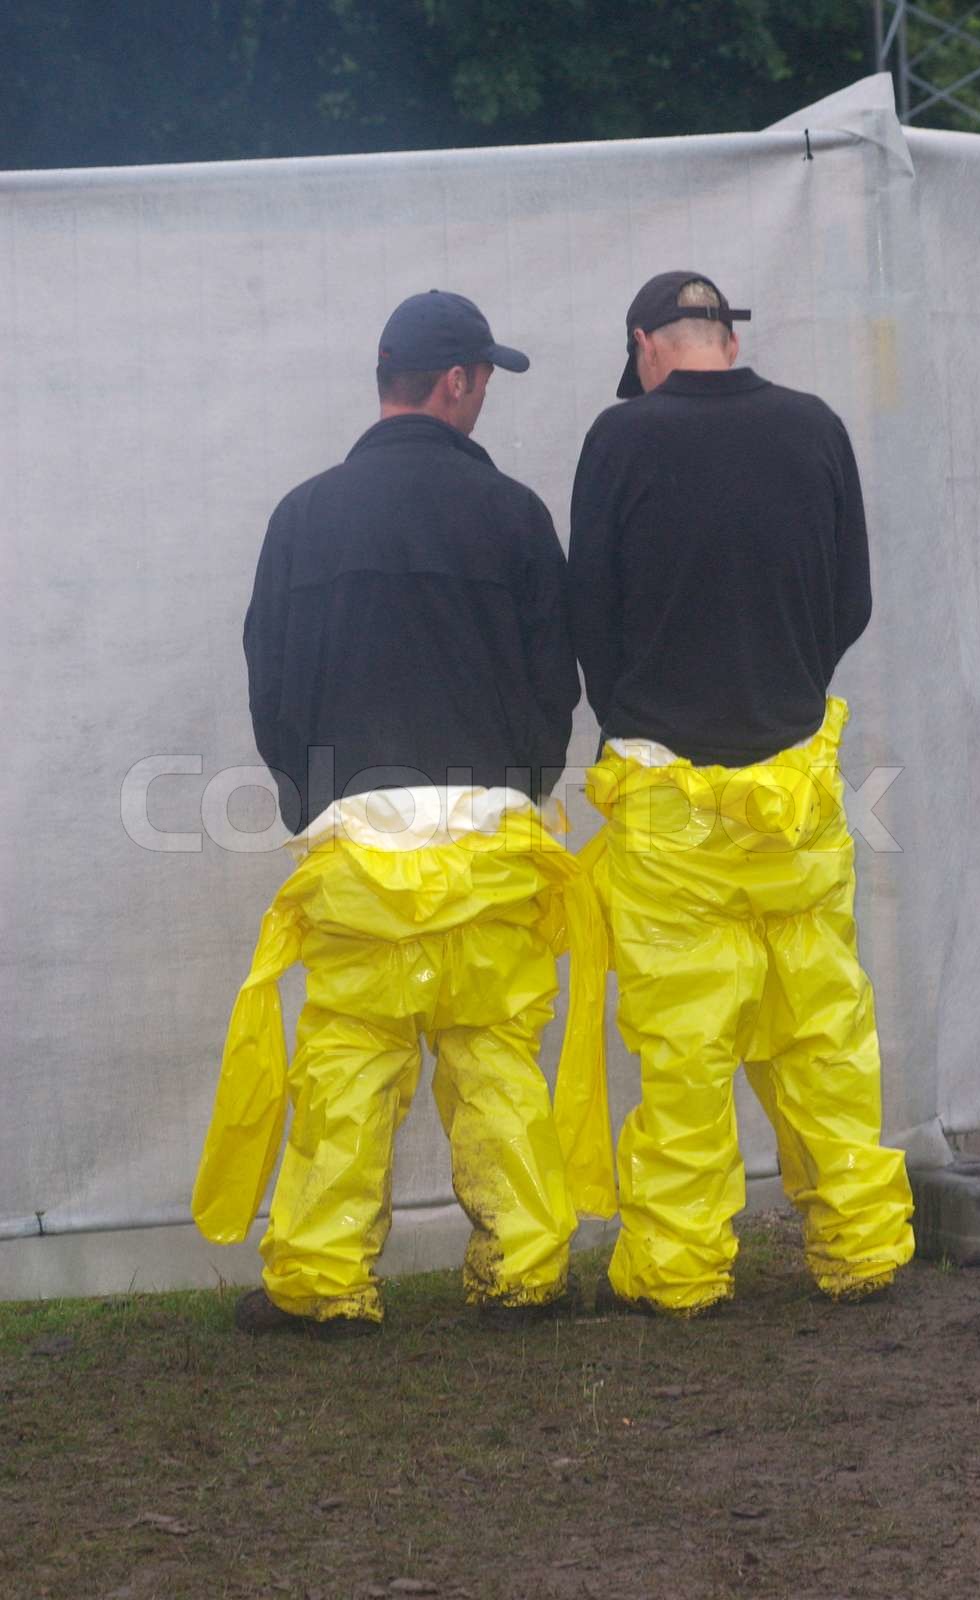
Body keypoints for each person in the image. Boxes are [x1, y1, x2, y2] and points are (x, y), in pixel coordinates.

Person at [193, 291, 614, 1338]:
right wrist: (512, 787)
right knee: (493, 1056)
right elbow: (550, 682)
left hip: (356, 838)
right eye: (483, 381)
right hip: (484, 830)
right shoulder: (512, 514)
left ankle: (323, 1282)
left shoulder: (302, 516)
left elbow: (272, 691)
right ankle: (523, 1270)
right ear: (458, 381)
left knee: (349, 1056)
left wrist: (318, 794)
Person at [568, 270, 915, 1318]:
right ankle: (859, 1245)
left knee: (683, 1044)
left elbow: (590, 608)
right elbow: (850, 594)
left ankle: (677, 1269)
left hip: (670, 795)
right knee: (821, 1026)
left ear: (645, 345)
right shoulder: (814, 429)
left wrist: (636, 704)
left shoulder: (619, 440)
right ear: (725, 334)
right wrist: (787, 683)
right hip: (796, 785)